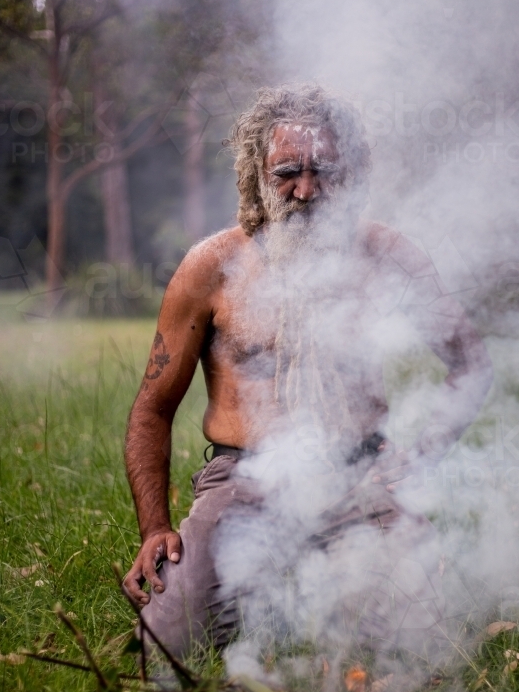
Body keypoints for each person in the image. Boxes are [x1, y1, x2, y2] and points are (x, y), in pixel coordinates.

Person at [123, 83, 493, 658]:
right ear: (255, 176)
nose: (306, 189)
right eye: (287, 172)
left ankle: (317, 598)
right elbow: (152, 409)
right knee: (163, 648)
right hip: (242, 483)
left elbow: (469, 364)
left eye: (324, 171)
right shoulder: (212, 267)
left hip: (360, 478)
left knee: (414, 648)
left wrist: (418, 458)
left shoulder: (389, 256)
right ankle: (251, 596)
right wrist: (154, 529)